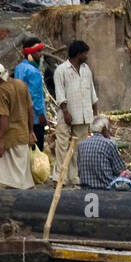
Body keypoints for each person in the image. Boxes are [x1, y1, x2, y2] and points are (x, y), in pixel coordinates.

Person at [53, 40, 97, 185]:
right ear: (78, 54)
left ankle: (75, 177)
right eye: (85, 53)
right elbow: (60, 94)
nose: (86, 56)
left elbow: (92, 92)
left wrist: (94, 113)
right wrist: (65, 112)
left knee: (79, 149)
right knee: (63, 147)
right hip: (67, 115)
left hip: (83, 115)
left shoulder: (86, 69)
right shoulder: (61, 70)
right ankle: (60, 178)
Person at [0, 58, 36, 190]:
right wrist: (30, 131)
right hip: (22, 135)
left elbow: (4, 118)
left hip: (9, 138)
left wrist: (0, 141)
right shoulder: (21, 84)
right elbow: (30, 110)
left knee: (9, 180)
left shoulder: (0, 91)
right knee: (24, 177)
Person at [77, 116, 131, 191]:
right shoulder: (109, 144)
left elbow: (79, 172)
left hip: (86, 187)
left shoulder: (81, 144)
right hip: (106, 187)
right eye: (109, 129)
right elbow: (120, 170)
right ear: (104, 129)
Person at [15, 37, 48, 154]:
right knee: (36, 151)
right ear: (30, 53)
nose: (40, 54)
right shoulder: (34, 72)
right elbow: (36, 95)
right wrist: (41, 114)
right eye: (38, 51)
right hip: (34, 117)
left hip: (21, 115)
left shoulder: (18, 68)